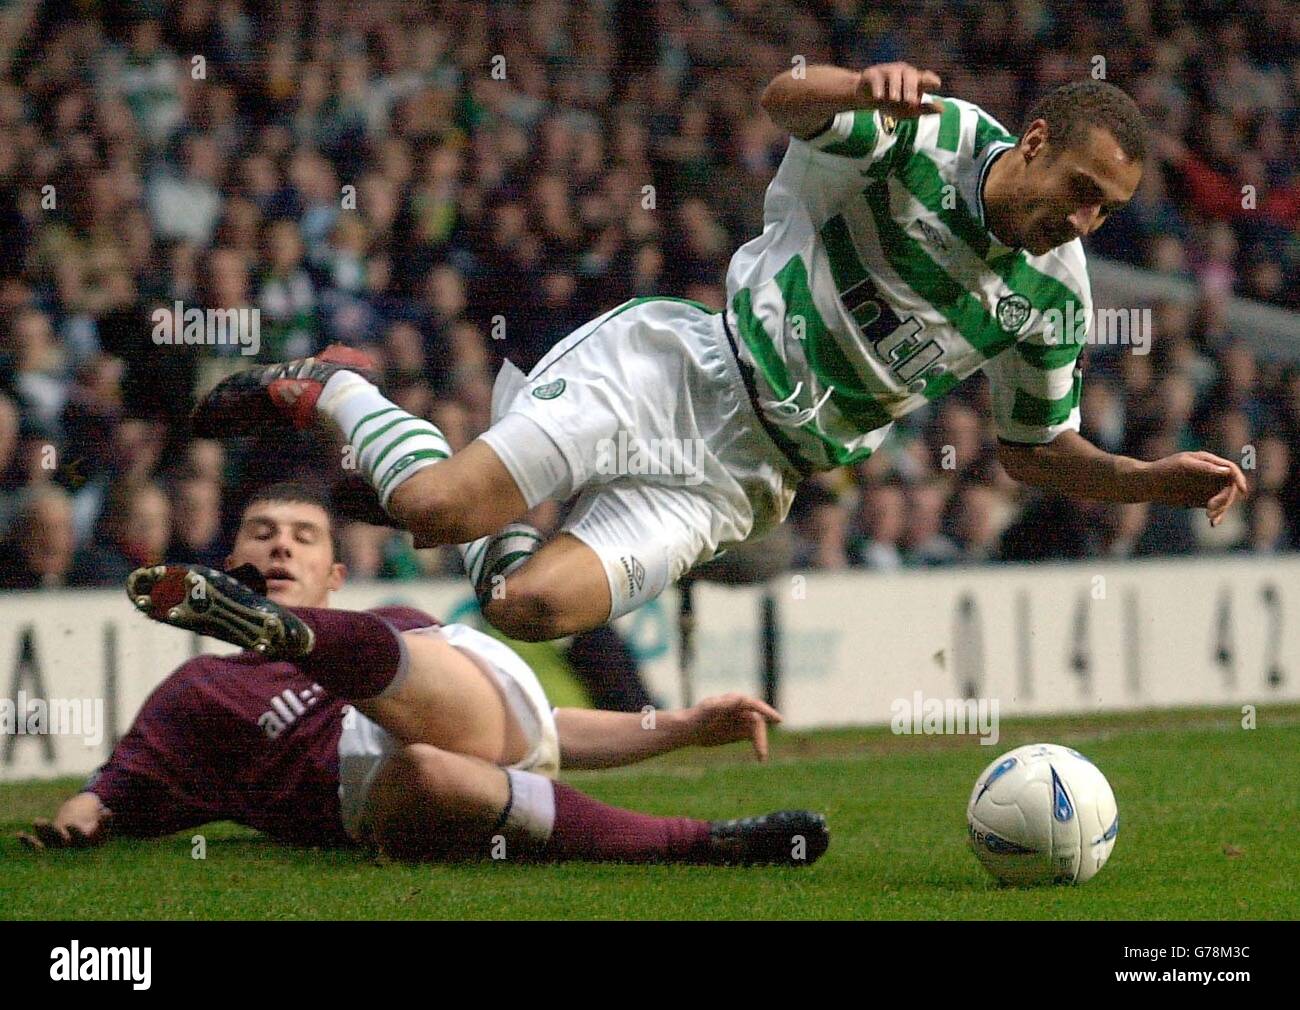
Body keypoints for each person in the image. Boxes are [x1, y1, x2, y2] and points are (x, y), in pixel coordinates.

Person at [189, 64, 1249, 642]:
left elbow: (1033, 447)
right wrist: (849, 87)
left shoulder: (1052, 303)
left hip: (750, 477)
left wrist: (1151, 480)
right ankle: (336, 386)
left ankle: (472, 507)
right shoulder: (925, 139)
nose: (1086, 222)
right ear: (1032, 144)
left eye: (1106, 211)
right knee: (428, 511)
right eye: (1081, 191)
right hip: (679, 368)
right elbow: (780, 102)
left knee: (529, 611)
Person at [19, 482, 826, 867]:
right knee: (434, 771)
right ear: (234, 563)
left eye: (303, 537)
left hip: (439, 682)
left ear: (335, 574)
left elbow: (546, 734)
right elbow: (115, 785)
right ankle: (697, 844)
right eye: (262, 534)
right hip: (378, 789)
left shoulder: (397, 620)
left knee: (465, 726)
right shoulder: (200, 693)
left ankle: (698, 846)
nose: (281, 547)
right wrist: (80, 818)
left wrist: (680, 727)